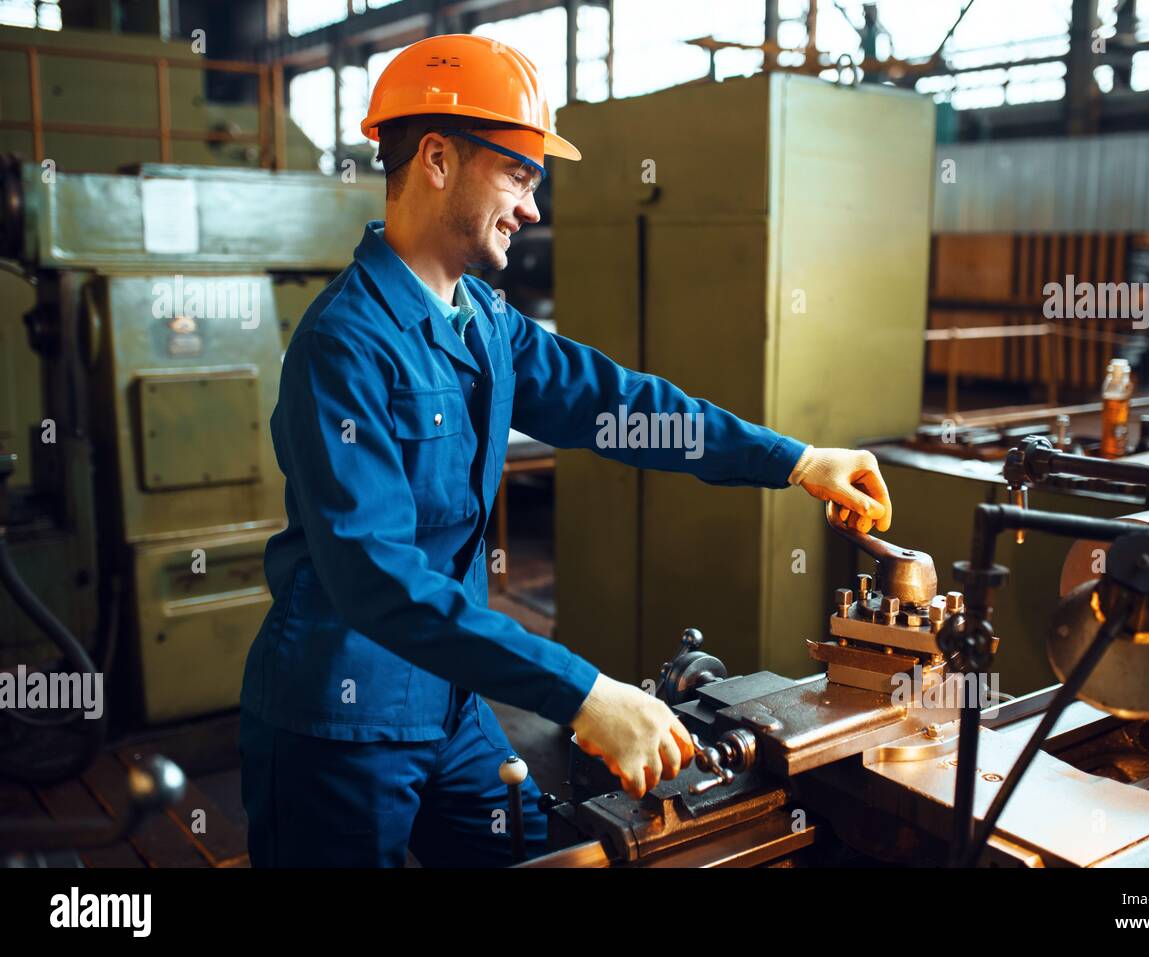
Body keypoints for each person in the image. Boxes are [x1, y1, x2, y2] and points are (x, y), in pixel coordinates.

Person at [239, 33, 893, 867]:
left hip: (455, 702)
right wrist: (584, 695)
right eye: (518, 175)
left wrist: (796, 460)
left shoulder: (484, 321)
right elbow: (375, 579)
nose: (532, 208)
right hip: (343, 715)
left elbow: (623, 405)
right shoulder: (344, 346)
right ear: (437, 158)